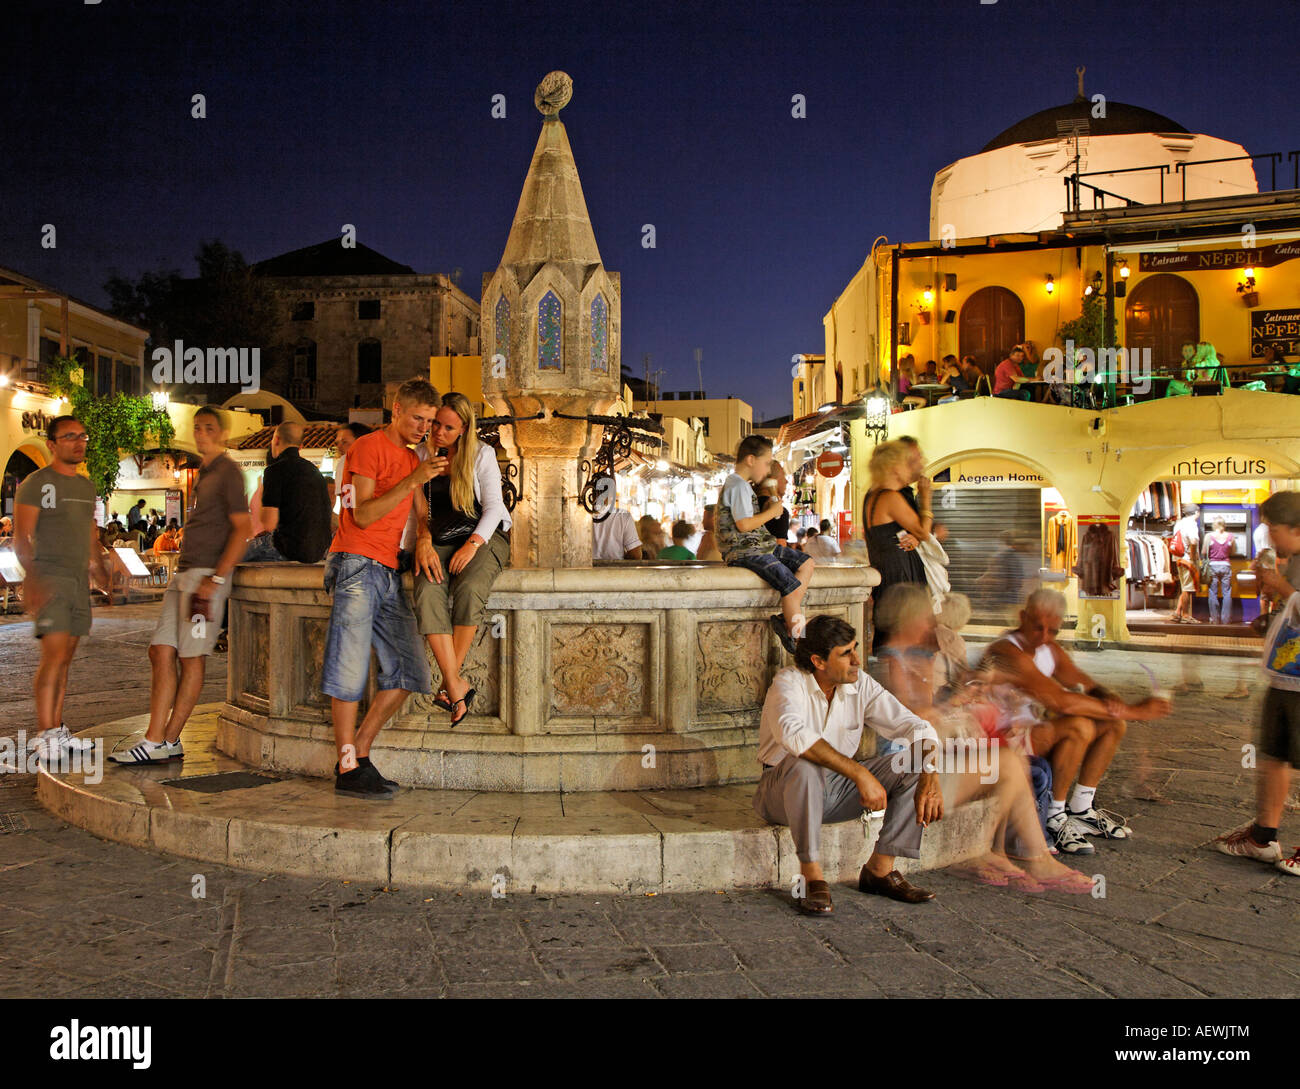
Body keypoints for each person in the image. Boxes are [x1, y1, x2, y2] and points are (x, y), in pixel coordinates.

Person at [872, 585, 1094, 893]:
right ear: (908, 618)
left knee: (1009, 759)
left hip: (933, 753)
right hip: (905, 765)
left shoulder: (921, 658)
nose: (930, 623)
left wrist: (962, 700)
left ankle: (1003, 852)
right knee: (1007, 762)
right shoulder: (891, 661)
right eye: (925, 616)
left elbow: (932, 716)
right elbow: (910, 720)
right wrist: (952, 704)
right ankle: (1016, 856)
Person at [753, 614, 942, 915]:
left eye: (855, 649)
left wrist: (930, 777)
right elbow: (795, 736)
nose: (857, 660)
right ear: (819, 661)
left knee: (914, 764)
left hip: (838, 790)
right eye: (846, 654)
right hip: (782, 792)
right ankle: (811, 875)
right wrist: (859, 772)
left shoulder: (860, 684)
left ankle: (880, 870)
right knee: (805, 765)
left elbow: (917, 728)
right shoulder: (788, 683)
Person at [313, 377, 441, 796]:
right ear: (397, 410)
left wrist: (423, 536)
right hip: (355, 561)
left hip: (386, 568)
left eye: (430, 421)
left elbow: (421, 510)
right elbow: (363, 516)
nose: (424, 427)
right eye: (418, 418)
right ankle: (349, 769)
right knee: (348, 670)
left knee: (411, 671)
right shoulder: (367, 448)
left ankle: (359, 755)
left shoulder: (410, 458)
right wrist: (411, 479)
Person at [982, 589, 1173, 854]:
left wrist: (1107, 696)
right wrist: (1136, 711)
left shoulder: (1048, 648)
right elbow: (1061, 701)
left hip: (1032, 730)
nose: (1045, 636)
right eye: (1038, 627)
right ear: (1022, 617)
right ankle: (1054, 815)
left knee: (1112, 725)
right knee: (1078, 725)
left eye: (1053, 631)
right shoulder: (1006, 650)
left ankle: (1082, 808)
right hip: (1000, 739)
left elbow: (1083, 683)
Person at [112, 406, 251, 766]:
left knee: (191, 659)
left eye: (208, 428)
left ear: (220, 432)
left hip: (206, 578)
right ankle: (156, 737)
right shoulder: (205, 472)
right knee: (160, 651)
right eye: (197, 428)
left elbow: (243, 528)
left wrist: (216, 578)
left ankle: (166, 738)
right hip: (185, 575)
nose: (202, 434)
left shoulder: (229, 472)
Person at [13, 415, 113, 764]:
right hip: (50, 576)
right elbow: (21, 536)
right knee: (53, 658)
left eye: (82, 435)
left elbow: (89, 532)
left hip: (77, 582)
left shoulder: (86, 487)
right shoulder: (36, 483)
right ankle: (44, 734)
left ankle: (56, 730)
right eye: (69, 436)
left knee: (66, 659)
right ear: (52, 444)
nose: (78, 442)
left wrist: (99, 567)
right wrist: (32, 577)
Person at [411, 392, 512, 726]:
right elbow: (418, 511)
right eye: (435, 424)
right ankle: (456, 685)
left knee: (469, 590)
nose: (438, 432)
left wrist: (472, 545)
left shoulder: (481, 454)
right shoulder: (421, 455)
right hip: (439, 536)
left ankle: (448, 684)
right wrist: (422, 540)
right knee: (426, 588)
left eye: (448, 427)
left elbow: (495, 507)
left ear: (465, 429)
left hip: (483, 534)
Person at [1216, 491, 1300, 875]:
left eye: (1273, 528)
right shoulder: (1293, 561)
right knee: (1273, 754)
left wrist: (1281, 588)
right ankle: (1263, 837)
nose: (1269, 536)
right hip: (1285, 677)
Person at [717, 435, 814, 654]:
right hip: (745, 550)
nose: (769, 468)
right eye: (767, 462)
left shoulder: (742, 485)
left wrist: (771, 505)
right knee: (791, 586)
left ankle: (786, 615)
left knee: (806, 563)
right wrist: (771, 512)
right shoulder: (737, 485)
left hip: (759, 546)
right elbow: (743, 524)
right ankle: (799, 640)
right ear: (751, 460)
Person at [862, 440, 930, 646]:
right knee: (908, 639)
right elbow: (923, 531)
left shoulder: (872, 496)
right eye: (905, 462)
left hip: (887, 574)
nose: (909, 467)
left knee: (895, 640)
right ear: (893, 467)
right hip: (901, 575)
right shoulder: (890, 497)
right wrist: (926, 498)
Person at [242, 422, 333, 564]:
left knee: (232, 553)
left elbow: (268, 523)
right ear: (300, 446)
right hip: (319, 549)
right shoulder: (314, 471)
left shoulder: (274, 470)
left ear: (276, 440)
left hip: (288, 548)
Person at [1170, 503, 1201, 623]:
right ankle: (1186, 615)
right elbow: (1193, 541)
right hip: (1188, 559)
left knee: (1184, 587)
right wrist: (1193, 559)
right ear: (1196, 512)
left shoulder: (1179, 523)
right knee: (1188, 588)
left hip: (1178, 558)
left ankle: (1177, 613)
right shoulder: (1191, 524)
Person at [1203, 517, 1235, 623]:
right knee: (1227, 593)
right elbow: (1233, 551)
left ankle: (1215, 619)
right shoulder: (1230, 536)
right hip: (1226, 565)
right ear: (1224, 525)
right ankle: (1226, 619)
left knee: (1213, 592)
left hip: (1213, 566)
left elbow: (1204, 552)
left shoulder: (1209, 536)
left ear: (1214, 525)